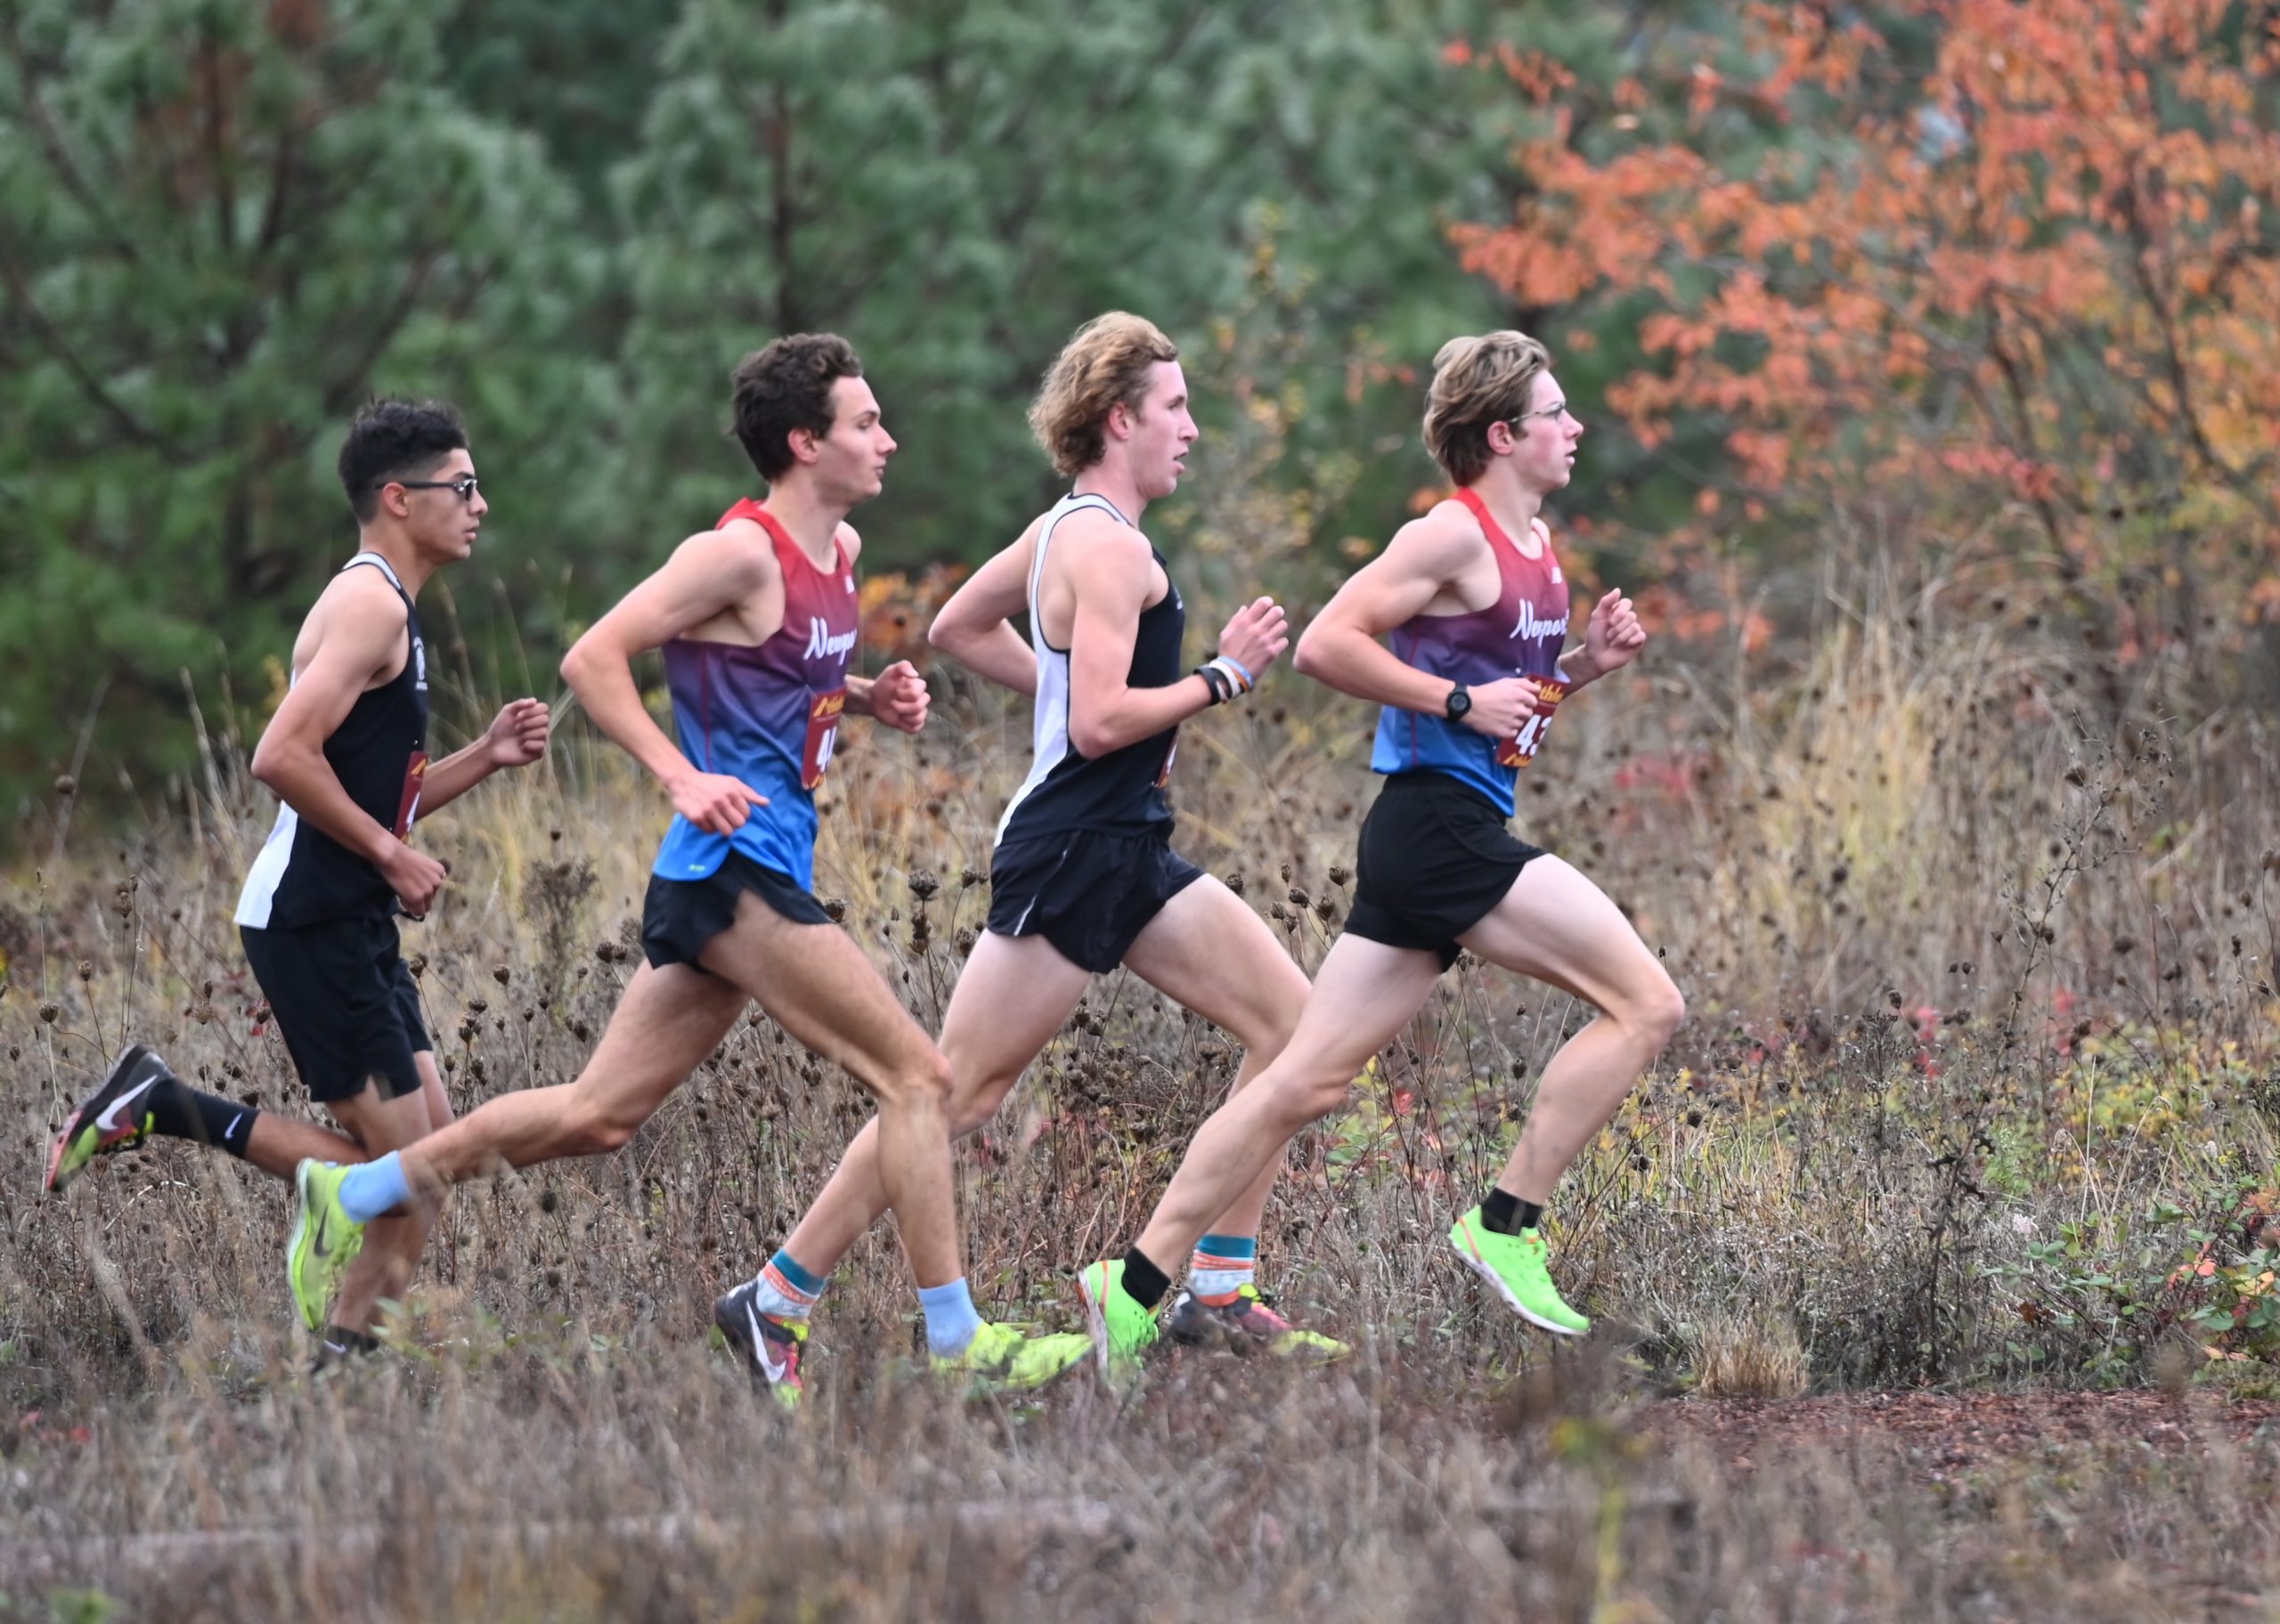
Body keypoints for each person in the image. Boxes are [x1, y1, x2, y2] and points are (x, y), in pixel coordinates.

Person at [283, 334, 1092, 1397]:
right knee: (919, 1079)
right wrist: (676, 774)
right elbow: (593, 655)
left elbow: (780, 665)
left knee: (598, 1116)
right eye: (864, 423)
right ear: (805, 443)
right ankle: (958, 1341)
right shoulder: (738, 551)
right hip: (729, 865)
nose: (886, 439)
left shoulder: (838, 560)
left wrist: (863, 699)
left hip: (744, 862)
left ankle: (349, 1196)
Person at [716, 312, 1346, 1408]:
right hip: (1068, 850)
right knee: (955, 1095)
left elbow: (960, 627)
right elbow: (1102, 724)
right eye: (1176, 409)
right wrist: (1223, 678)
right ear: (1119, 419)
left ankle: (1218, 1284)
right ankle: (773, 1297)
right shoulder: (1106, 545)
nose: (1192, 429)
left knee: (1297, 1029)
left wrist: (1066, 703)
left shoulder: (1063, 529)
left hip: (1125, 846)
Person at [1075, 331, 1685, 1377]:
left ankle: (1129, 1286)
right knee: (1648, 1005)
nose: (1575, 427)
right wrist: (1449, 696)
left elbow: (1504, 717)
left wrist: (1584, 666)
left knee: (1300, 1079)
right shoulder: (1451, 535)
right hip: (1438, 830)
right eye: (1556, 414)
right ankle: (1505, 1223)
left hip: (1440, 827)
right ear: (1503, 435)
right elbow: (1326, 644)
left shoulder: (1538, 552)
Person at [45, 400, 552, 1362]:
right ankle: (342, 1370)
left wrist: (482, 757)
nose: (481, 505)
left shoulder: (393, 611)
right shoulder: (367, 605)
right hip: (311, 921)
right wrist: (391, 855)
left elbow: (368, 797)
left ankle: (161, 1105)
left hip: (349, 919)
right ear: (399, 500)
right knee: (411, 1175)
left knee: (430, 1157)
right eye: (464, 486)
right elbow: (280, 755)